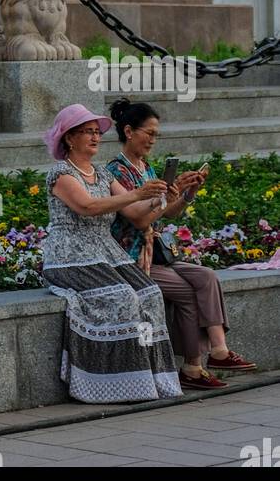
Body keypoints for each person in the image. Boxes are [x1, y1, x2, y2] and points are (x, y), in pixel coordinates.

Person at [107, 98, 256, 391]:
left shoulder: (146, 168)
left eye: (156, 134)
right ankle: (192, 366)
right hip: (133, 258)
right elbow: (139, 219)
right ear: (129, 131)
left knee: (207, 276)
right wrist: (165, 198)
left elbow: (167, 214)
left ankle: (219, 351)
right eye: (149, 133)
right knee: (187, 291)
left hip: (159, 253)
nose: (153, 139)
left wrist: (187, 193)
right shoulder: (117, 171)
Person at [42, 103, 182, 404]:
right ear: (69, 138)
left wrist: (162, 199)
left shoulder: (103, 175)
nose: (95, 137)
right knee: (123, 296)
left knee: (150, 294)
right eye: (87, 132)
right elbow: (87, 206)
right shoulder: (61, 173)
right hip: (70, 256)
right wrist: (138, 193)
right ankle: (116, 383)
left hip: (105, 251)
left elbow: (135, 212)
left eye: (97, 132)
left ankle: (152, 377)